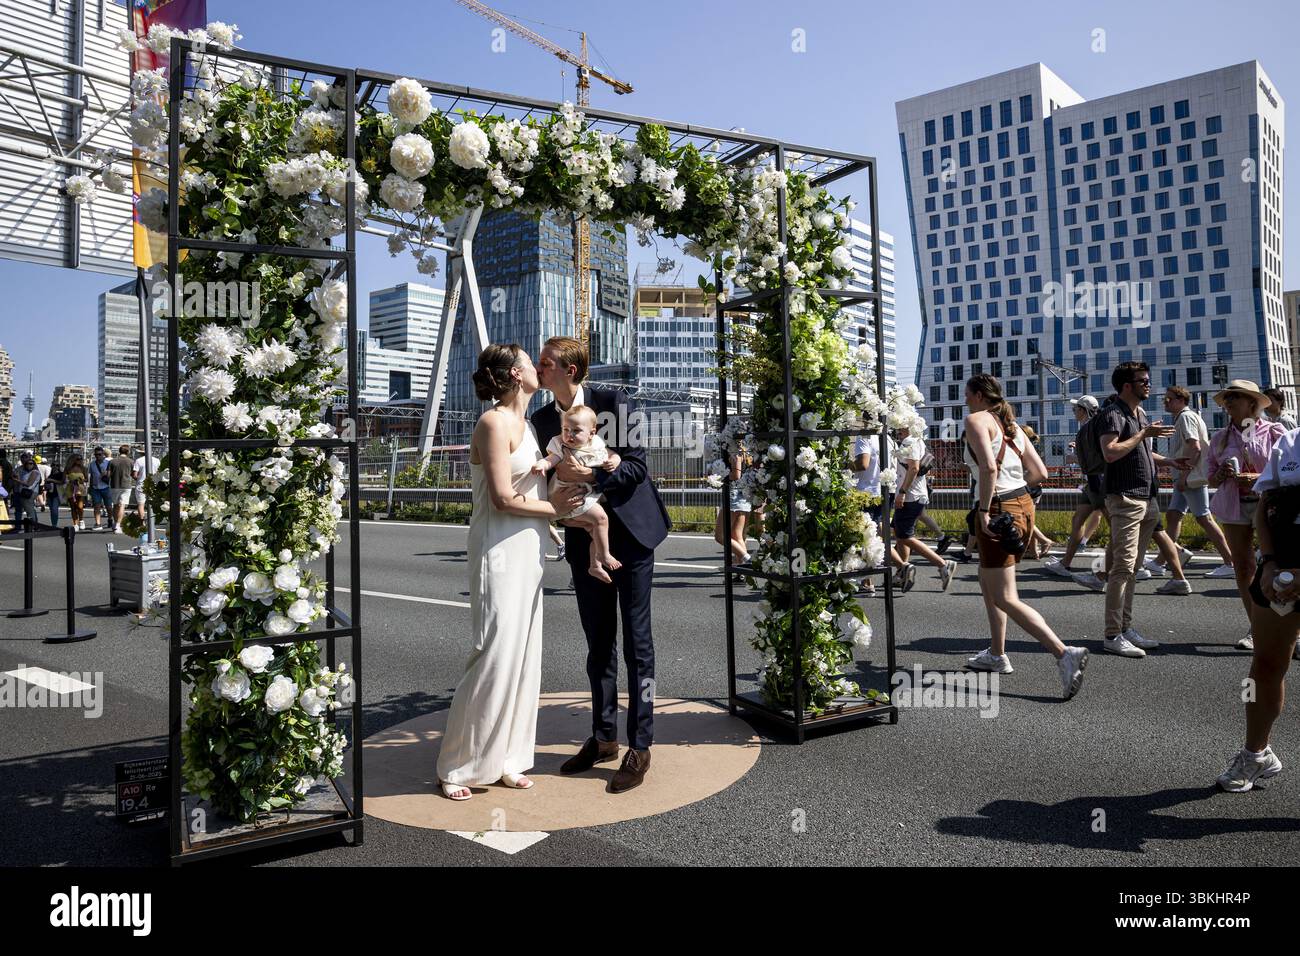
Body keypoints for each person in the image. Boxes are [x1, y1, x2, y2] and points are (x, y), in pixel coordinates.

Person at [435, 344, 584, 801]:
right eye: (530, 362)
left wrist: (551, 522)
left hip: (528, 550)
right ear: (517, 375)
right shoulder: (493, 422)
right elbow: (501, 497)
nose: (539, 368)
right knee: (494, 655)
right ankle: (458, 766)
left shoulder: (530, 427)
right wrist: (554, 510)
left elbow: (534, 485)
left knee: (523, 658)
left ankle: (508, 759)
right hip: (497, 550)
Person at [532, 335, 671, 794]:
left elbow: (637, 465)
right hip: (580, 537)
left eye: (545, 363)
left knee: (638, 643)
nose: (538, 368)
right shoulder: (541, 418)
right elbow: (547, 474)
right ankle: (604, 736)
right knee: (598, 644)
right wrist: (555, 488)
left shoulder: (613, 402)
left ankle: (642, 745)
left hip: (631, 536)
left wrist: (591, 474)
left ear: (569, 370)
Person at [961, 375, 1089, 698]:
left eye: (966, 394)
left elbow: (989, 469)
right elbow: (1040, 473)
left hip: (998, 507)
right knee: (986, 579)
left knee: (1005, 596)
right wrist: (1015, 494)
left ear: (977, 395)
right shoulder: (1012, 426)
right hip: (1023, 504)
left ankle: (1064, 653)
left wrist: (985, 510)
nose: (965, 400)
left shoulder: (976, 420)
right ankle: (996, 653)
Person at [1216, 426, 1300, 791]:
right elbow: (1266, 506)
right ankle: (1255, 754)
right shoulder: (1290, 441)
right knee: (1263, 665)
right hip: (1280, 571)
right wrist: (1267, 563)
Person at [1097, 362, 1177, 657]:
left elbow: (1139, 450)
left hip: (1147, 498)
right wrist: (1143, 434)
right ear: (1127, 386)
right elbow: (1111, 451)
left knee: (1133, 569)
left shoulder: (1139, 413)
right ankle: (1112, 634)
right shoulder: (1113, 414)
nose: (1149, 385)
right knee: (1122, 568)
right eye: (1143, 381)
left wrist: (1168, 462)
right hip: (1125, 498)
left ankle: (1126, 628)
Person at [1206, 380, 1286, 652]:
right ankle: (1257, 629)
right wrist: (1220, 475)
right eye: (1226, 399)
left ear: (1252, 402)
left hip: (1269, 505)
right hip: (1234, 505)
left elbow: (1285, 471)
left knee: (1279, 566)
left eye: (1234, 398)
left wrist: (1254, 477)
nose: (1228, 403)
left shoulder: (1275, 432)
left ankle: (1291, 630)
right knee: (1243, 567)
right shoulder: (1219, 438)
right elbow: (1210, 478)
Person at [1148, 386, 1234, 583]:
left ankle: (1230, 563)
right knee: (1173, 515)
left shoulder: (1185, 417)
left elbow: (1194, 446)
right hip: (1184, 476)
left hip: (1189, 477)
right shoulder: (1184, 417)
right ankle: (1161, 561)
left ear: (1181, 399)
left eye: (1169, 399)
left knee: (1204, 518)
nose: (1165, 402)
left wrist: (1185, 476)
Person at [531, 404, 622, 582]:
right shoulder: (560, 445)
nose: (569, 435)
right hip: (567, 493)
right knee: (601, 519)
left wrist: (615, 460)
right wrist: (542, 464)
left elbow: (612, 453)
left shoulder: (596, 444)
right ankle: (605, 555)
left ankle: (595, 565)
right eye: (566, 429)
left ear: (592, 433)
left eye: (576, 431)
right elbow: (552, 458)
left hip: (584, 494)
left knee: (593, 529)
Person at [1046, 396, 1107, 580]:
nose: (1074, 412)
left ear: (1084, 410)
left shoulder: (1092, 428)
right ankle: (1065, 563)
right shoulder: (1090, 427)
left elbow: (1097, 456)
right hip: (1092, 482)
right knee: (1078, 518)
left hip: (1098, 481)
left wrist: (1076, 458)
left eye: (1076, 409)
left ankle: (1133, 564)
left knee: (1119, 526)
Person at [891, 428, 958, 592]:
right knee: (901, 534)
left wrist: (902, 492)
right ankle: (902, 572)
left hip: (910, 496)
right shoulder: (917, 439)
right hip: (916, 494)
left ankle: (942, 564)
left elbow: (913, 468)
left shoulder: (910, 442)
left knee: (904, 536)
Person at [714, 444, 753, 569]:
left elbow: (736, 475)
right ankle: (741, 571)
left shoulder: (735, 452)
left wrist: (720, 478)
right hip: (744, 497)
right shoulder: (746, 451)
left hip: (734, 497)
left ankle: (748, 560)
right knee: (737, 536)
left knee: (720, 536)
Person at [108, 444, 135, 533]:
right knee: (122, 505)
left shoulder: (112, 461)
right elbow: (133, 474)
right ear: (128, 452)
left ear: (119, 451)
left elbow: (108, 475)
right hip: (126, 485)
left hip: (114, 485)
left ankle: (115, 523)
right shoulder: (131, 462)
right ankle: (118, 525)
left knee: (115, 505)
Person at [87, 446, 112, 531]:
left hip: (106, 487)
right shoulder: (92, 464)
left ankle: (110, 519)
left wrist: (106, 474)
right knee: (96, 506)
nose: (98, 456)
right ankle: (98, 523)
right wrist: (90, 487)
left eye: (100, 454)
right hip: (95, 488)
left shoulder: (108, 463)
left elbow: (111, 475)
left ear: (103, 455)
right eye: (96, 454)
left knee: (108, 506)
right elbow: (91, 476)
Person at [13, 452, 42, 525]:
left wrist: (17, 480)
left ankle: (33, 525)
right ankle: (30, 525)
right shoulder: (21, 469)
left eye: (30, 463)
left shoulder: (35, 471)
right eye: (27, 463)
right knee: (26, 509)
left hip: (29, 492)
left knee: (29, 510)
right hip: (21, 491)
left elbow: (29, 484)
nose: (28, 464)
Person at [132, 450, 159, 522]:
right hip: (154, 484)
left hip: (141, 484)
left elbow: (135, 475)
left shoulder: (138, 460)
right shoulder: (157, 460)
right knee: (152, 504)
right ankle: (152, 522)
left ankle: (142, 522)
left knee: (141, 504)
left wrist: (137, 478)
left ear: (141, 453)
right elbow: (159, 473)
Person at [64, 455, 88, 531]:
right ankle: (75, 523)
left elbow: (87, 479)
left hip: (80, 488)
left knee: (80, 506)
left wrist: (82, 480)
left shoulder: (83, 468)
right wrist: (69, 481)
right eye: (78, 459)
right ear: (73, 460)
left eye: (81, 459)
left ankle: (81, 520)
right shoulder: (68, 468)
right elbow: (63, 479)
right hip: (70, 488)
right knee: (73, 506)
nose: (79, 461)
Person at [45, 461, 65, 528]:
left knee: (54, 509)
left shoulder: (61, 474)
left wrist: (51, 480)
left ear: (59, 467)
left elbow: (62, 482)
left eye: (57, 465)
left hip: (57, 494)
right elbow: (46, 485)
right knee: (52, 510)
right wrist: (46, 485)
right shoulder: (50, 475)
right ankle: (53, 524)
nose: (55, 467)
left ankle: (54, 525)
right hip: (50, 494)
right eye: (53, 465)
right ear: (51, 466)